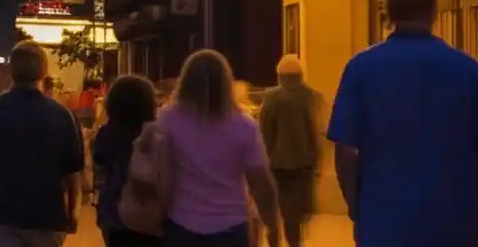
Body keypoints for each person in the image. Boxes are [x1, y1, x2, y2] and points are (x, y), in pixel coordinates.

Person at [329, 0, 478, 247]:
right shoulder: (468, 70)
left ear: (388, 12)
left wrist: (358, 205)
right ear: (434, 11)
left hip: (383, 222)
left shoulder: (361, 69)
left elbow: (345, 151)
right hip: (454, 222)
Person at [0, 41, 85, 247]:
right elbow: (73, 174)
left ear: (11, 71)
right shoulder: (61, 116)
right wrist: (73, 213)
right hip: (48, 219)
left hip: (1, 218)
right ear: (43, 72)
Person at [157, 49, 281, 247]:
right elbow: (261, 183)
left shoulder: (167, 119)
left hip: (180, 225)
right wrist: (272, 226)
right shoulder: (244, 125)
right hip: (231, 228)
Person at [259, 56, 322, 247]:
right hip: (304, 164)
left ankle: (274, 236)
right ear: (301, 75)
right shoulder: (313, 96)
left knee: (273, 207)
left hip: (276, 164)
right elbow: (315, 131)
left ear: (280, 75)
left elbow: (264, 132)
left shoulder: (271, 97)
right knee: (296, 212)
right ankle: (294, 241)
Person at [91, 74, 161, 247]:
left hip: (114, 214)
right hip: (150, 214)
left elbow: (99, 163)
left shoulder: (107, 134)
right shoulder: (155, 134)